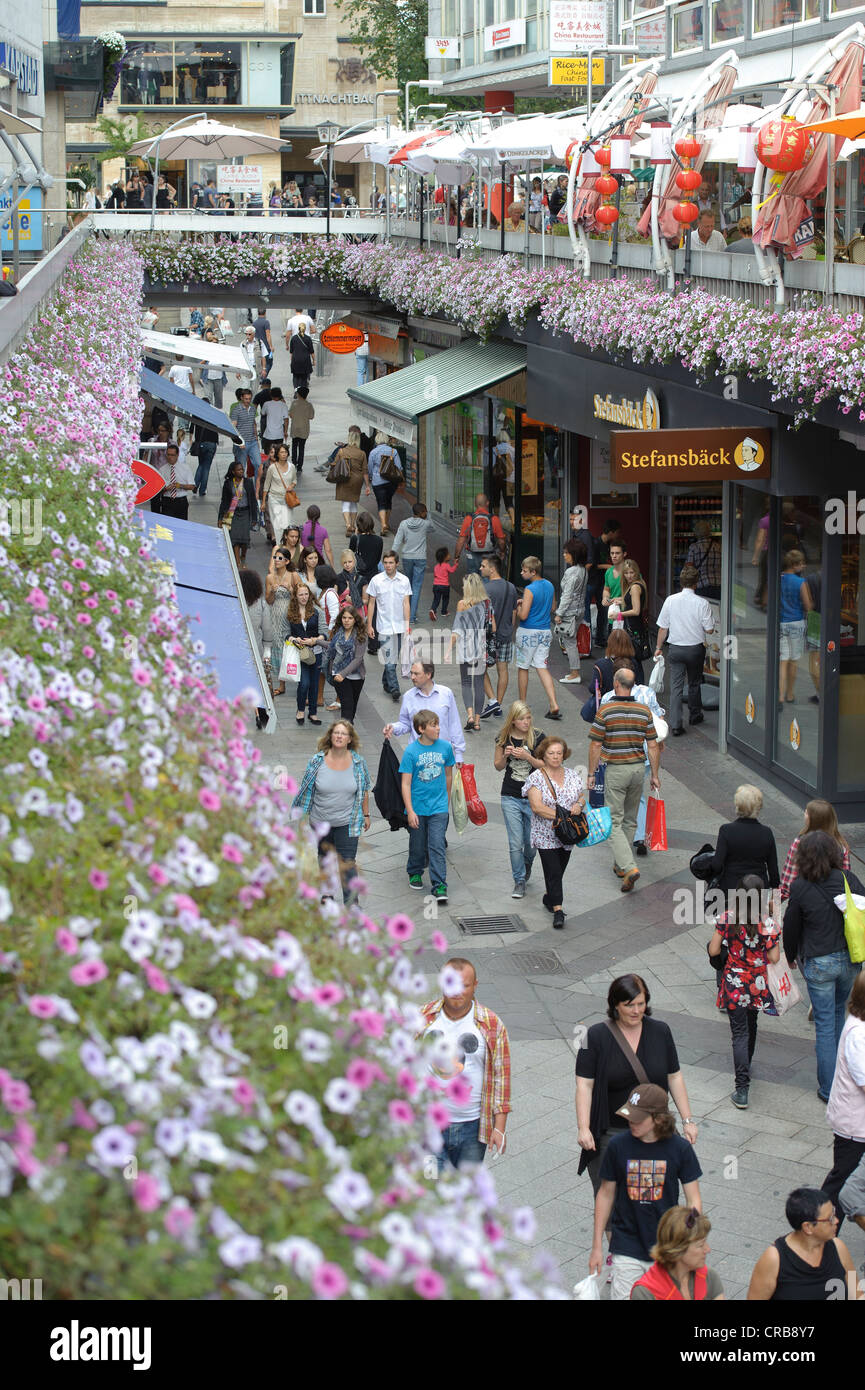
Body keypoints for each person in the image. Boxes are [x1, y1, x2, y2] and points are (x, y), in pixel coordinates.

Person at [576, 975, 698, 1198]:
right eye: (629, 1005)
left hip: (651, 1130)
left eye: (641, 1004)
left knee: (647, 1201)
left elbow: (674, 1077)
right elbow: (584, 1084)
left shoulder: (661, 1032)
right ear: (615, 1005)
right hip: (611, 1132)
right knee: (612, 1204)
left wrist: (687, 1119)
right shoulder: (594, 1036)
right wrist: (584, 1127)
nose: (636, 1011)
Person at [589, 1084, 703, 1301]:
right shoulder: (617, 1146)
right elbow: (605, 1194)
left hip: (665, 1247)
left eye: (638, 1119)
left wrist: (688, 1241)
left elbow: (694, 1199)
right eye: (629, 1117)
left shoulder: (680, 1149)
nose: (631, 1122)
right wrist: (597, 1246)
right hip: (626, 1244)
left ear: (659, 1119)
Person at [783, 830, 865, 1102]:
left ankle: (829, 1089)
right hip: (849, 961)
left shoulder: (800, 887)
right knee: (841, 1018)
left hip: (819, 963)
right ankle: (846, 1080)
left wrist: (790, 955)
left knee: (825, 1025)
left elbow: (791, 926)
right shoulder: (848, 879)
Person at [419, 958, 511, 1169]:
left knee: (466, 1194)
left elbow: (501, 1077)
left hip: (473, 1129)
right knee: (432, 1188)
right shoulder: (422, 1018)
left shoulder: (492, 1024)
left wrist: (499, 1128)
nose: (458, 991)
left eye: (465, 985)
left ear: (475, 986)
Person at [709, 874, 781, 1109]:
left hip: (733, 983)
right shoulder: (766, 922)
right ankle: (746, 1065)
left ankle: (742, 1088)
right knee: (752, 1026)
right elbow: (774, 957)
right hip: (757, 985)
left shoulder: (728, 916)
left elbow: (713, 949)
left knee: (739, 1033)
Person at [587, 667, 660, 893]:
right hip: (638, 769)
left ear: (617, 684)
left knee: (614, 822)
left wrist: (591, 773)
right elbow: (654, 745)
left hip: (616, 770)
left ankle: (629, 867)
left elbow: (596, 744)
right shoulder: (643, 710)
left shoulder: (606, 710)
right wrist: (655, 775)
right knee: (630, 819)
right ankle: (620, 865)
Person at [293, 720, 371, 904]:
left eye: (343, 733)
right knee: (325, 858)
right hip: (321, 821)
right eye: (336, 732)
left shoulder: (359, 763)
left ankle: (351, 903)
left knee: (347, 862)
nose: (339, 736)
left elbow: (365, 789)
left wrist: (366, 814)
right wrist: (302, 817)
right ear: (330, 736)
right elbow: (307, 790)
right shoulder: (317, 761)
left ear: (350, 739)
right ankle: (327, 894)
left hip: (348, 822)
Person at [599, 658, 665, 858]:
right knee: (639, 796)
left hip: (616, 757)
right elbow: (659, 720)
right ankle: (639, 836)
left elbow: (601, 732)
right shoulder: (647, 692)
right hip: (643, 755)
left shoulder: (608, 698)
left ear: (616, 678)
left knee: (617, 803)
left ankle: (622, 848)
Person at [747, 1187, 861, 1300]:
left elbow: (856, 1293)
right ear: (808, 1227)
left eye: (834, 1213)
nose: (836, 1221)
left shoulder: (838, 1247)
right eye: (830, 1218)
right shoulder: (774, 1259)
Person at [522, 736, 585, 930]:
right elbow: (537, 807)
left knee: (559, 870)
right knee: (554, 871)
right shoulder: (536, 777)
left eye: (559, 753)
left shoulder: (573, 775)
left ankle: (549, 898)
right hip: (545, 834)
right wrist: (562, 817)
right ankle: (558, 910)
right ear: (544, 755)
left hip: (567, 834)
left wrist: (579, 805)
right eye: (551, 753)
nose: (556, 757)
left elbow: (582, 796)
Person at [400, 709, 454, 903]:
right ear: (421, 729)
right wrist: (410, 810)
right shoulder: (411, 752)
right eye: (433, 725)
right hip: (417, 808)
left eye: (438, 724)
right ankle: (414, 870)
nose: (438, 728)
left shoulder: (446, 748)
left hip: (438, 807)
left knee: (437, 844)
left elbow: (448, 775)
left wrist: (445, 802)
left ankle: (439, 885)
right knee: (418, 844)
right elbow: (405, 783)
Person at [653, 564, 715, 735]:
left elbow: (663, 628)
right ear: (696, 583)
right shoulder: (702, 603)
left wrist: (658, 648)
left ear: (681, 582)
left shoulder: (670, 600)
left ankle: (675, 725)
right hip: (695, 649)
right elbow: (709, 629)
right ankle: (695, 715)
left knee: (676, 687)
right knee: (694, 682)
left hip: (676, 649)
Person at [823, 973, 865, 1225]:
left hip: (856, 1123)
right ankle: (820, 1233)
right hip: (854, 1126)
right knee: (840, 1185)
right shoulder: (858, 1035)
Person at [494, 702, 545, 899]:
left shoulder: (539, 737)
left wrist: (528, 756)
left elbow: (546, 766)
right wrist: (506, 757)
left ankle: (527, 863)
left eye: (528, 718)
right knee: (515, 842)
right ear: (513, 720)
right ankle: (519, 880)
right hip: (510, 795)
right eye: (522, 719)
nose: (526, 722)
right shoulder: (503, 737)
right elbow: (497, 766)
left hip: (533, 797)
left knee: (531, 844)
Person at [631, 1206, 725, 1301]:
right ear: (678, 1249)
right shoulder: (645, 1293)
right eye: (700, 1245)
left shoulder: (709, 1278)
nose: (708, 1249)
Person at [385, 660, 465, 765]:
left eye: (416, 674)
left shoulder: (446, 694)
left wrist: (458, 754)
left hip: (442, 756)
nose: (412, 677)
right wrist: (393, 727)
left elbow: (454, 724)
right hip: (417, 757)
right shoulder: (408, 697)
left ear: (428, 674)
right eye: (411, 673)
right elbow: (406, 724)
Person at [708, 784, 780, 895]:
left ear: (738, 805)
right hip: (758, 889)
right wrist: (776, 904)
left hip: (731, 888)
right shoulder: (767, 833)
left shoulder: (726, 830)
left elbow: (717, 865)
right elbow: (773, 871)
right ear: (758, 807)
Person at [515, 555, 561, 720]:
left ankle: (522, 705)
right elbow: (553, 607)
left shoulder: (529, 589)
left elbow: (524, 616)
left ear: (533, 572)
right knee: (542, 667)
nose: (522, 573)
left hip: (528, 632)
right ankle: (553, 703)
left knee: (523, 667)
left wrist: (519, 607)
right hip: (545, 631)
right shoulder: (549, 585)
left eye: (525, 571)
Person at [780, 799, 851, 901]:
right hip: (833, 903)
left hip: (806, 902)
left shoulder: (799, 843)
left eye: (806, 812)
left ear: (812, 819)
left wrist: (772, 909)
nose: (804, 813)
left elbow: (787, 883)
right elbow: (846, 880)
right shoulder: (841, 846)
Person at [366, 552, 411, 700]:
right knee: (390, 661)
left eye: (391, 562)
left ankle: (386, 682)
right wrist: (369, 625)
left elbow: (406, 603)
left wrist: (407, 624)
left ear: (396, 563)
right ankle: (394, 689)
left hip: (399, 626)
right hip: (383, 626)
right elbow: (371, 603)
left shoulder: (404, 581)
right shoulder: (376, 580)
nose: (388, 565)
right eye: (385, 562)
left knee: (393, 659)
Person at [450, 573, 491, 734]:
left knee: (466, 682)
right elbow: (492, 627)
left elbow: (457, 629)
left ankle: (469, 716)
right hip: (480, 648)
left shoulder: (462, 604)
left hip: (465, 648)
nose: (461, 587)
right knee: (479, 684)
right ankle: (478, 721)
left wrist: (449, 649)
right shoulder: (486, 603)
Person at [479, 551, 517, 717]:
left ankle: (493, 700)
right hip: (506, 634)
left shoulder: (484, 589)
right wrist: (509, 629)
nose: (481, 569)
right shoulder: (511, 587)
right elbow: (514, 614)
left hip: (487, 637)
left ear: (492, 569)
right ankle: (498, 704)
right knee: (503, 670)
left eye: (483, 566)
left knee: (480, 669)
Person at [779, 548, 812, 707]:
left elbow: (765, 599)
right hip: (797, 622)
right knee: (793, 661)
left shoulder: (779, 578)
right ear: (794, 564)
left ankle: (779, 696)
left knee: (783, 661)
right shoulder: (801, 582)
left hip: (781, 622)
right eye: (801, 563)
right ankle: (790, 694)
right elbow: (808, 606)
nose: (804, 566)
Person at [393, 503, 434, 626]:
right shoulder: (425, 524)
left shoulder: (404, 524)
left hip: (407, 558)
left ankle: (405, 613)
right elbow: (433, 528)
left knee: (407, 585)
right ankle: (411, 617)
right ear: (422, 512)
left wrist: (392, 556)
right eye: (425, 512)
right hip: (420, 558)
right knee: (416, 587)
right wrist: (429, 516)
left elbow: (397, 541)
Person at [287, 583, 322, 726]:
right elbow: (285, 633)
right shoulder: (290, 613)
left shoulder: (316, 611)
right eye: (300, 594)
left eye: (306, 594)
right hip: (299, 653)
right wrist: (294, 639)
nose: (304, 597)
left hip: (315, 653)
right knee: (304, 683)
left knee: (314, 684)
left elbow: (324, 632)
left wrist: (315, 640)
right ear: (295, 596)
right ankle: (300, 709)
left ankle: (312, 713)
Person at [325, 607, 367, 723]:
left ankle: (347, 732)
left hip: (356, 676)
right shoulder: (338, 632)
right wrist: (315, 641)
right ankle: (345, 736)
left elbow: (358, 659)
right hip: (338, 673)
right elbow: (332, 646)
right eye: (344, 618)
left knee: (351, 709)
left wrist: (343, 674)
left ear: (355, 620)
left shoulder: (360, 635)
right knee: (347, 707)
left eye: (350, 618)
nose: (346, 620)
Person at [555, 540, 588, 683]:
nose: (564, 555)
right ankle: (574, 672)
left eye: (566, 553)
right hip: (580, 609)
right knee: (571, 641)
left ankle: (575, 673)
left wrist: (559, 613)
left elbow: (567, 595)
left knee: (569, 642)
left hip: (570, 611)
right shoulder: (583, 570)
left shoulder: (571, 572)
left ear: (573, 554)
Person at [265, 546, 297, 695]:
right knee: (276, 646)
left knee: (290, 646)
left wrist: (291, 590)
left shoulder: (293, 575)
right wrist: (272, 590)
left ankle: (295, 675)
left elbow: (301, 597)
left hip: (289, 614)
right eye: (275, 558)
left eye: (279, 558)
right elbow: (268, 600)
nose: (276, 561)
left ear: (287, 561)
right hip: (275, 613)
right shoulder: (270, 577)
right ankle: (281, 683)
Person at [454, 493, 506, 576]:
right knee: (487, 579)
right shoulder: (494, 519)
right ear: (487, 503)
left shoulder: (469, 519)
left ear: (475, 504)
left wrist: (457, 556)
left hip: (472, 554)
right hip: (489, 555)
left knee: (473, 579)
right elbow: (502, 541)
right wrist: (502, 552)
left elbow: (461, 540)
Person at [615, 559, 650, 675]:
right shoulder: (638, 584)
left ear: (636, 572)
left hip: (633, 628)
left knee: (633, 662)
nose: (629, 576)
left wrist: (619, 614)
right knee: (634, 661)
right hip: (636, 627)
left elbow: (636, 610)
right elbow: (631, 602)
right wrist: (617, 600)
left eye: (631, 572)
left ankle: (637, 686)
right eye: (626, 573)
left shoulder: (635, 587)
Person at [219, 459, 257, 566]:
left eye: (242, 469)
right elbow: (224, 501)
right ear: (233, 472)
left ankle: (243, 555)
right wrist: (220, 518)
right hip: (233, 513)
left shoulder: (248, 482)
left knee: (245, 538)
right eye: (239, 470)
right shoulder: (228, 484)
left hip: (245, 512)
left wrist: (254, 518)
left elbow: (253, 500)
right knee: (235, 538)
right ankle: (237, 561)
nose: (241, 471)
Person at [365, 432, 404, 536]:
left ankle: (383, 525)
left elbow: (369, 468)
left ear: (377, 440)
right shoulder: (393, 451)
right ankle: (386, 523)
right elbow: (399, 467)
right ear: (387, 440)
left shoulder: (373, 452)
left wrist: (371, 477)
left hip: (378, 482)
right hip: (391, 482)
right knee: (388, 501)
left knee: (381, 502)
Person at [332, 426, 368, 537]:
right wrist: (367, 486)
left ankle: (348, 525)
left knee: (345, 503)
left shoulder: (342, 451)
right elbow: (365, 470)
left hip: (345, 478)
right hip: (357, 480)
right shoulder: (362, 453)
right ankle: (353, 524)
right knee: (353, 502)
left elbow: (335, 464)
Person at [261, 443, 298, 546]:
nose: (284, 454)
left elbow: (295, 480)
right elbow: (266, 486)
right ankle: (279, 546)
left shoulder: (292, 467)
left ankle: (287, 546)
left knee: (287, 524)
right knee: (277, 525)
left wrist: (292, 485)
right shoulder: (272, 468)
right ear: (277, 454)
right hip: (274, 499)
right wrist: (263, 502)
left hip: (287, 499)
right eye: (281, 452)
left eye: (285, 452)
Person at [593, 519, 622, 646]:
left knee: (605, 611)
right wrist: (609, 566)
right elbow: (593, 565)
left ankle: (605, 637)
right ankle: (601, 638)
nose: (618, 535)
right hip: (597, 580)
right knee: (603, 610)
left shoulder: (610, 544)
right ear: (611, 532)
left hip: (605, 582)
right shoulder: (596, 544)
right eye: (617, 532)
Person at [229, 387, 263, 491]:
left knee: (258, 464)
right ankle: (240, 488)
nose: (248, 401)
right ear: (241, 398)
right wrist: (239, 442)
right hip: (242, 444)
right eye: (246, 399)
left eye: (249, 398)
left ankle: (257, 486)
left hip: (252, 442)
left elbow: (253, 424)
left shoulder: (253, 408)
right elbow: (233, 428)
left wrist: (257, 440)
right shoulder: (236, 410)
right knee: (241, 467)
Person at [156, 434, 195, 521]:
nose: (170, 457)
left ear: (177, 455)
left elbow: (192, 486)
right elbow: (158, 489)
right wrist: (166, 489)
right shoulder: (162, 469)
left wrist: (180, 486)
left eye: (172, 455)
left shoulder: (185, 468)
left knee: (182, 524)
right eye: (168, 455)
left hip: (181, 501)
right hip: (167, 501)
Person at [600, 539, 627, 649]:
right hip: (613, 616)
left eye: (617, 553)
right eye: (612, 553)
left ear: (624, 554)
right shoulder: (609, 571)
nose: (614, 556)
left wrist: (620, 599)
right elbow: (606, 589)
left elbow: (637, 593)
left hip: (627, 616)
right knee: (614, 650)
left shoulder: (630, 571)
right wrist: (605, 598)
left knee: (626, 651)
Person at [686, 518, 722, 599]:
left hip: (701, 586)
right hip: (718, 585)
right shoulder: (718, 546)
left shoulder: (694, 547)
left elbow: (689, 568)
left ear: (696, 533)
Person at [350, 511, 383, 591]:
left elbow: (350, 555)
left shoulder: (355, 538)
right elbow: (378, 559)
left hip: (359, 574)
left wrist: (355, 534)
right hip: (373, 574)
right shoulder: (379, 540)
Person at [288, 385, 314, 476]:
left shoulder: (294, 403)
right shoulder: (309, 405)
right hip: (304, 429)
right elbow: (311, 416)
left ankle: (294, 463)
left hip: (295, 428)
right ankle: (300, 466)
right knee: (302, 447)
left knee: (294, 446)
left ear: (298, 394)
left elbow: (290, 414)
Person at [429, 545, 457, 622]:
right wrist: (455, 565)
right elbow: (452, 571)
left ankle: (433, 610)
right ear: (445, 557)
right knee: (445, 598)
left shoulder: (436, 566)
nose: (449, 555)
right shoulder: (447, 565)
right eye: (448, 554)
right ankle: (444, 612)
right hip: (445, 586)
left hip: (436, 585)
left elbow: (435, 575)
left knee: (436, 599)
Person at [191, 422, 218, 499]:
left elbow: (192, 425)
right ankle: (202, 490)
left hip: (200, 441)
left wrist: (191, 438)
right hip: (212, 442)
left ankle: (195, 485)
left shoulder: (197, 412)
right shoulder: (214, 412)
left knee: (201, 464)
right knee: (206, 467)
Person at [260, 386, 289, 455]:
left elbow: (262, 413)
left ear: (271, 395)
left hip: (268, 434)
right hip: (279, 434)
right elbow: (286, 420)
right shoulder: (283, 405)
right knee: (278, 454)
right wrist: (285, 432)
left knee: (268, 454)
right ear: (280, 395)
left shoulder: (266, 404)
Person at [288, 324, 315, 391]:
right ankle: (302, 391)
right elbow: (311, 351)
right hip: (305, 360)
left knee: (295, 376)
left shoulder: (294, 338)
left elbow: (291, 351)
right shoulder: (308, 338)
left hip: (295, 360)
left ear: (298, 328)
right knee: (304, 377)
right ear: (305, 329)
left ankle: (296, 389)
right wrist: (314, 360)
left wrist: (291, 361)